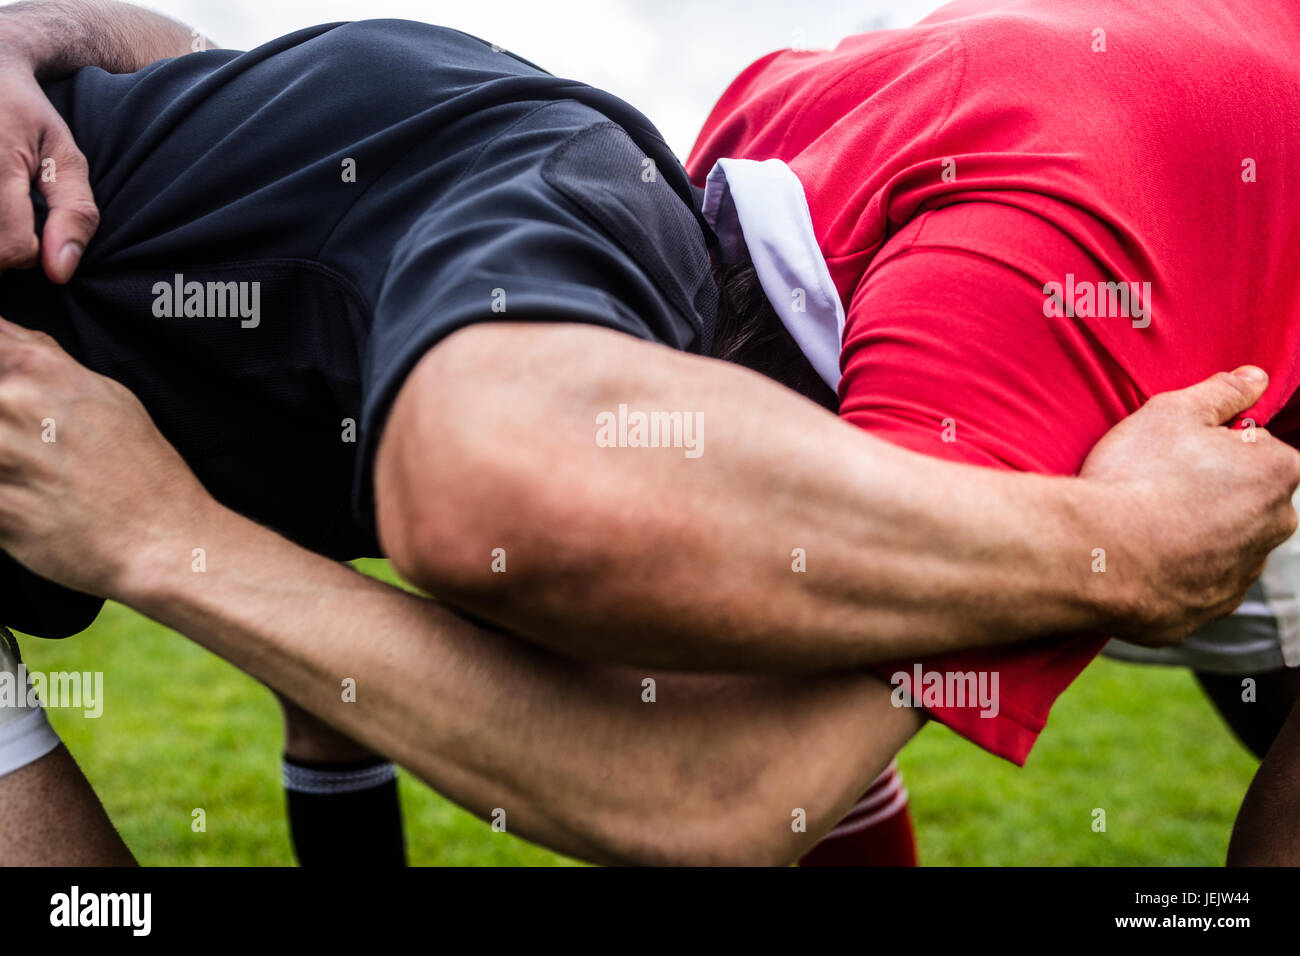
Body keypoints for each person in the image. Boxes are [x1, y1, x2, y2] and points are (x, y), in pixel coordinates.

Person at [0, 4, 1293, 866]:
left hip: (1198, 362)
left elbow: (725, 794)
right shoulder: (754, 158)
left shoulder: (1004, 302)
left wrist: (164, 542)